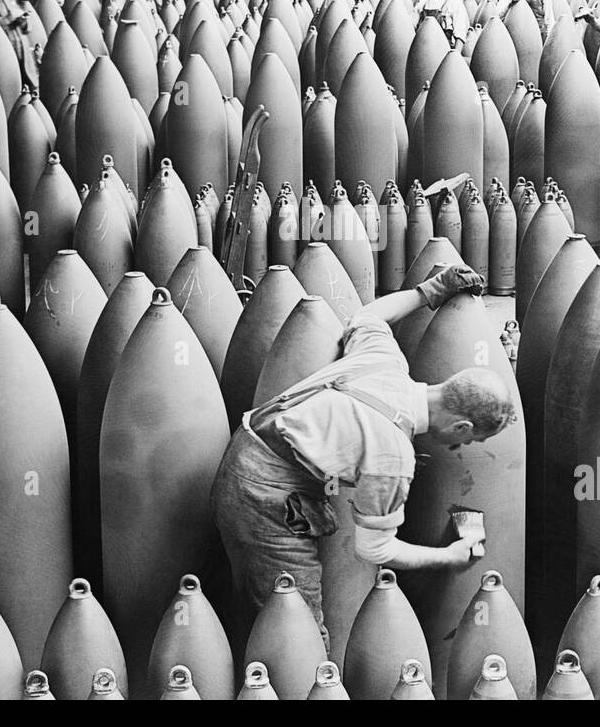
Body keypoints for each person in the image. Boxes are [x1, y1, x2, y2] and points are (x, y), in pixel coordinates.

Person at [210, 264, 517, 643]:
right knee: (300, 633)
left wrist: (431, 290)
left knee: (265, 614)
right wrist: (449, 557)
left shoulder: (387, 360)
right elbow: (375, 548)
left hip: (245, 449)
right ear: (462, 427)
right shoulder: (392, 456)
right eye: (470, 440)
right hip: (259, 497)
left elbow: (368, 316)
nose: (463, 447)